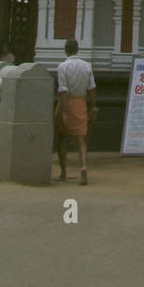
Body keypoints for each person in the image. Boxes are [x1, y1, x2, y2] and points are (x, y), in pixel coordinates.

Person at [55, 39, 97, 185]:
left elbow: (63, 90)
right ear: (77, 49)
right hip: (81, 102)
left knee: (61, 138)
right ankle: (83, 165)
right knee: (81, 140)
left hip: (66, 102)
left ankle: (63, 172)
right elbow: (91, 89)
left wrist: (64, 111)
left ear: (66, 50)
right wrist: (93, 106)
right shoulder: (87, 66)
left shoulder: (62, 67)